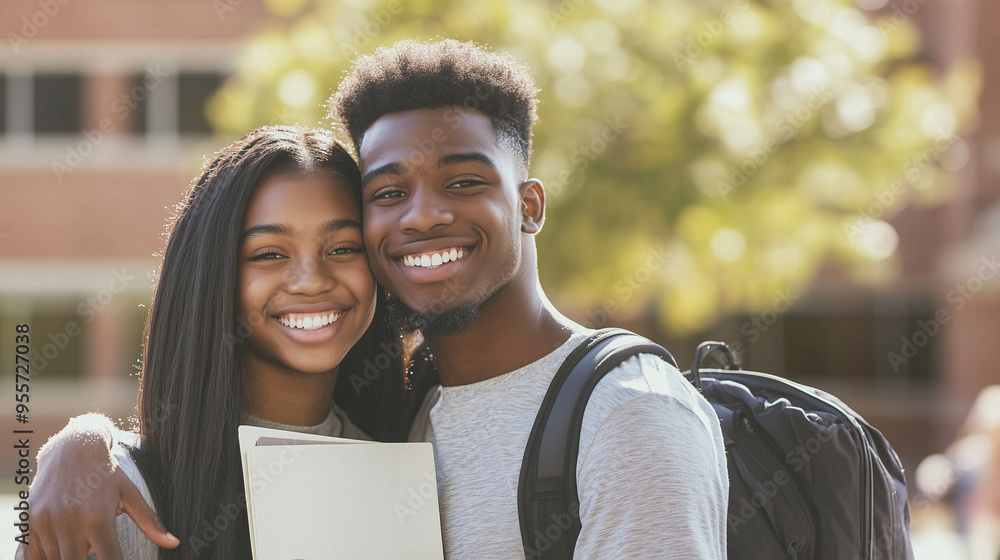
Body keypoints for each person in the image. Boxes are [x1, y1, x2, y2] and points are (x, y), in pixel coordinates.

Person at [24, 40, 728, 559]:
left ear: (529, 205)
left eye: (463, 181)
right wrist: (85, 440)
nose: (421, 217)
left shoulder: (629, 415)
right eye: (389, 193)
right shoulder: (410, 413)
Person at [16, 126, 422, 559]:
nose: (312, 280)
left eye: (344, 248)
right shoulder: (119, 501)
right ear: (214, 276)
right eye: (268, 254)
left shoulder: (406, 471)